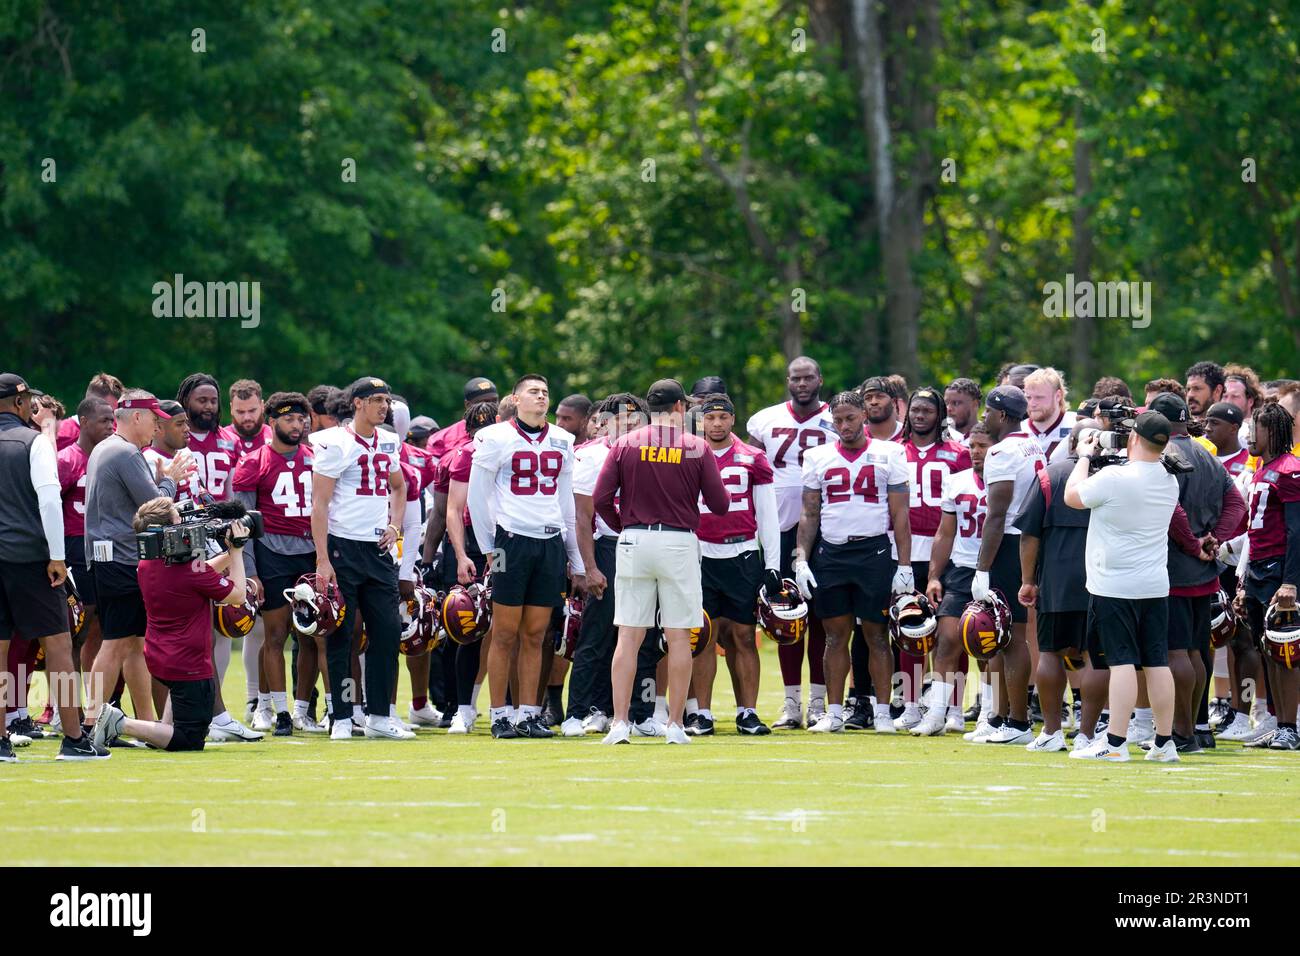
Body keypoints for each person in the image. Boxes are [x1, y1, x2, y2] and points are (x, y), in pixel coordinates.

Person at [593, 378, 731, 744]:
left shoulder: (624, 443)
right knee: (679, 636)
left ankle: (620, 722)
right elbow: (720, 505)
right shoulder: (696, 446)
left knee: (629, 634)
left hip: (635, 539)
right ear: (680, 408)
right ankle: (673, 724)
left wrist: (625, 526)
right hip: (678, 541)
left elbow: (601, 498)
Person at [467, 374, 585, 739]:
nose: (541, 397)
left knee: (537, 635)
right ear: (515, 399)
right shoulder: (495, 436)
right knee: (503, 633)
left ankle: (528, 713)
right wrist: (489, 548)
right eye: (533, 392)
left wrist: (575, 558)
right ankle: (500, 713)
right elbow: (477, 497)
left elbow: (567, 503)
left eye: (545, 393)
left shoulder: (563, 440)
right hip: (511, 542)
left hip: (549, 542)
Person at [0, 374, 107, 762]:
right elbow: (48, 501)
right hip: (29, 557)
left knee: (0, 653)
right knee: (60, 646)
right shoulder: (34, 442)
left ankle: (0, 742)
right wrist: (58, 556)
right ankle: (74, 739)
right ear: (20, 403)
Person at [793, 390, 913, 734]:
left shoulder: (889, 453)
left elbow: (900, 515)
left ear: (863, 415)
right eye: (839, 420)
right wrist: (802, 559)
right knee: (834, 636)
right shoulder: (817, 456)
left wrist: (903, 564)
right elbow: (809, 513)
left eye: (850, 418)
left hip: (873, 551)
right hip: (831, 552)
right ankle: (833, 712)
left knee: (876, 635)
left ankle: (883, 712)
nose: (845, 425)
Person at [91, 498, 252, 753]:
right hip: (188, 662)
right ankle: (120, 723)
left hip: (159, 657)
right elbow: (238, 595)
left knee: (178, 721)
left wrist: (226, 554)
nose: (186, 525)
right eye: (179, 520)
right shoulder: (190, 570)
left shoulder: (146, 564)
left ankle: (157, 732)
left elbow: (197, 574)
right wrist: (237, 553)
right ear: (167, 531)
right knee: (190, 739)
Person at [1066, 411, 1181, 762]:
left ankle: (1116, 743)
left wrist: (1085, 456)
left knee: (1122, 664)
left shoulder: (1115, 477)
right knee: (1157, 662)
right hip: (1154, 585)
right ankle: (1164, 742)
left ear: (1134, 439)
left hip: (1114, 584)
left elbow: (1072, 496)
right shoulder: (1169, 480)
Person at [82, 390, 194, 744]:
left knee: (132, 644)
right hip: (121, 559)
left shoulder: (105, 448)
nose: (158, 426)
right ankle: (89, 723)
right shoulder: (126, 452)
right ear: (135, 417)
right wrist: (171, 479)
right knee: (116, 644)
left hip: (108, 558)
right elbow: (155, 507)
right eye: (154, 418)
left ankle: (145, 724)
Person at [312, 377, 410, 740]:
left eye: (387, 400)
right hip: (343, 546)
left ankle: (380, 716)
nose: (384, 407)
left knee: (386, 631)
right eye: (377, 400)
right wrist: (323, 559)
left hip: (379, 549)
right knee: (341, 633)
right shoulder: (335, 443)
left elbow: (399, 486)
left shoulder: (388, 440)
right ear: (357, 403)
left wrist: (395, 526)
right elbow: (319, 504)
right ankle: (342, 715)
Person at [1150, 392, 1247, 753]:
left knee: (1177, 653)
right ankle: (1195, 728)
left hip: (1174, 565)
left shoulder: (1164, 455)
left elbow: (1171, 507)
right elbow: (1237, 502)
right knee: (1195, 650)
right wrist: (1215, 540)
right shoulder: (1206, 453)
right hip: (1204, 568)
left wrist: (1194, 543)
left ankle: (1181, 733)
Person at [561, 394, 660, 737]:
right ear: (605, 421)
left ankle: (642, 712)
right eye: (621, 418)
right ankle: (581, 710)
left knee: (646, 635)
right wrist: (588, 566)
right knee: (598, 631)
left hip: (647, 545)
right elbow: (582, 518)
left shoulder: (658, 452)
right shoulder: (589, 456)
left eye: (636, 419)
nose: (629, 425)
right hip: (609, 546)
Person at [745, 356, 833, 729]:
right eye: (795, 378)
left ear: (819, 379)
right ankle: (791, 703)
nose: (801, 384)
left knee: (821, 620)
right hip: (778, 530)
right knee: (785, 617)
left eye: (808, 377)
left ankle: (817, 702)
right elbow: (749, 467)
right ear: (787, 381)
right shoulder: (766, 419)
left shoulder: (836, 418)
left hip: (824, 531)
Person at [231, 392, 324, 736]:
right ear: (272, 422)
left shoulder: (316, 458)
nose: (297, 425)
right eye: (289, 419)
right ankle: (277, 710)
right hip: (271, 552)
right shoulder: (253, 462)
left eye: (301, 419)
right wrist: (251, 570)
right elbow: (243, 524)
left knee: (311, 635)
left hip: (309, 552)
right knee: (275, 634)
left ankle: (301, 711)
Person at [688, 392, 779, 736]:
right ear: (701, 421)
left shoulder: (753, 457)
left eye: (722, 417)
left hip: (741, 553)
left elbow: (767, 514)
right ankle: (704, 713)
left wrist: (771, 562)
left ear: (733, 419)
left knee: (743, 635)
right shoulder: (690, 455)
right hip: (700, 554)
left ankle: (748, 711)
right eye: (709, 418)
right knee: (704, 636)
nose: (716, 424)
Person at [1012, 419, 1104, 751]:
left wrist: (1027, 580)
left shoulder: (1050, 474)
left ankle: (1052, 732)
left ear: (1071, 443)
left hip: (1057, 579)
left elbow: (1030, 534)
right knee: (1096, 656)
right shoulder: (1116, 474)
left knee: (1050, 653)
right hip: (1102, 577)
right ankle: (1088, 735)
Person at [970, 385, 1044, 743]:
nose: (984, 418)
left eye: (988, 411)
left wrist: (982, 568)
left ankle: (1017, 721)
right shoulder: (1033, 443)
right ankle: (999, 717)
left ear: (1001, 415)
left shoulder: (1001, 451)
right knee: (1004, 636)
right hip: (1029, 540)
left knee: (1011, 635)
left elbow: (996, 514)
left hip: (1011, 543)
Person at [896, 387, 970, 730]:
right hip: (907, 551)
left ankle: (953, 708)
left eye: (927, 410)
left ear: (939, 415)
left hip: (946, 552)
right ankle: (912, 705)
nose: (919, 415)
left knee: (951, 633)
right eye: (915, 410)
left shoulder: (959, 453)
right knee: (910, 632)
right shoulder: (895, 452)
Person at [919, 422, 995, 736]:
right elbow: (945, 532)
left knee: (990, 645)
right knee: (947, 639)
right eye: (972, 446)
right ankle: (937, 713)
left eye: (983, 446)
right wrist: (934, 576)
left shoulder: (1006, 479)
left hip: (994, 569)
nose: (976, 452)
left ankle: (990, 714)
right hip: (962, 568)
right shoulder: (957, 481)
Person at [1237, 402, 1300, 749]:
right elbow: (1252, 531)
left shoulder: (1291, 469)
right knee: (1267, 650)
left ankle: (1290, 726)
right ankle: (1279, 723)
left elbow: (1296, 531)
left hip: (1280, 569)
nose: (1249, 434)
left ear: (1274, 431)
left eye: (1256, 428)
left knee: (1286, 651)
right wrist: (1244, 580)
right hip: (1260, 568)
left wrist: (1291, 581)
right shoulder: (1262, 469)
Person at [57, 397, 116, 690]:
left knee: (105, 630)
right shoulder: (68, 459)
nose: (111, 425)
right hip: (75, 547)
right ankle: (62, 708)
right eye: (104, 420)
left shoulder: (109, 457)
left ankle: (100, 703)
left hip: (105, 547)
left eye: (112, 419)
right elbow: (49, 507)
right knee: (76, 630)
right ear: (84, 422)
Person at [56, 372, 123, 452]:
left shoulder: (118, 431)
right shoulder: (60, 434)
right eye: (107, 410)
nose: (112, 417)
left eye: (115, 412)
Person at [1023, 367, 1075, 461]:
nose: (1032, 404)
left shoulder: (1076, 424)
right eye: (1028, 397)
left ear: (1058, 396)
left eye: (1039, 397)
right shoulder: (1019, 430)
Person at [224, 379, 272, 453]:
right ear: (231, 408)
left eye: (252, 411)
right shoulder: (221, 439)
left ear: (262, 406)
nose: (247, 417)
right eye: (240, 412)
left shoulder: (276, 438)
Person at [943, 378, 982, 445]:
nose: (948, 408)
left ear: (975, 404)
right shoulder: (937, 438)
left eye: (956, 403)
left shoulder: (990, 438)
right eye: (946, 403)